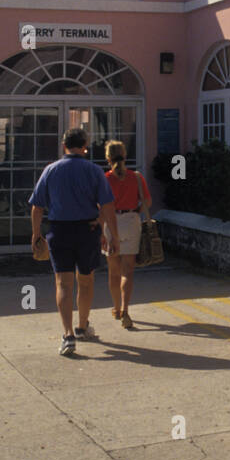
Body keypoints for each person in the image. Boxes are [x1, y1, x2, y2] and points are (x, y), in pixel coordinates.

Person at [29, 127, 118, 356]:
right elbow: (107, 205)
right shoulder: (94, 171)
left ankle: (67, 335)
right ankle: (82, 326)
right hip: (87, 230)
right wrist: (111, 234)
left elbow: (37, 206)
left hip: (59, 231)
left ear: (64, 145)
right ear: (84, 146)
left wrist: (35, 233)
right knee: (86, 280)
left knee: (63, 283)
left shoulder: (51, 170)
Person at [102, 140, 150, 330]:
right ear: (125, 155)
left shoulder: (105, 179)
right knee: (127, 271)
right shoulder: (136, 177)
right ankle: (126, 310)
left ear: (108, 158)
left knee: (113, 271)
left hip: (111, 222)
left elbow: (100, 205)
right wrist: (136, 211)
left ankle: (116, 308)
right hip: (131, 220)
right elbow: (147, 200)